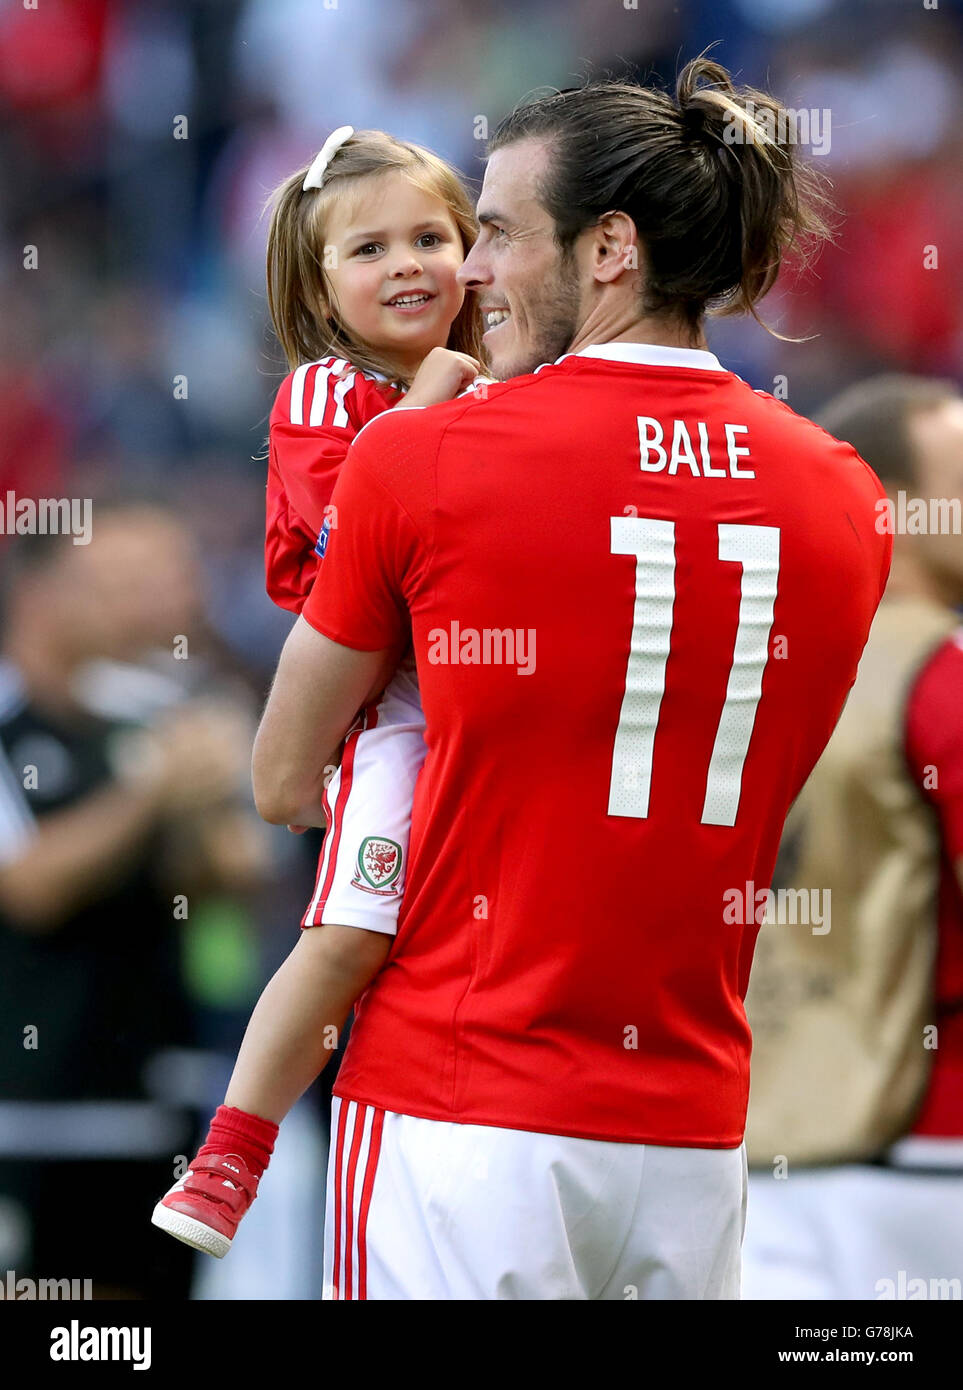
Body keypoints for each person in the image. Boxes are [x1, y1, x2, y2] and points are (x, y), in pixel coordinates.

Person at [247, 56, 892, 1301]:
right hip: (696, 1130)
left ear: (608, 249)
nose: (468, 273)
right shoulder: (845, 494)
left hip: (461, 1102)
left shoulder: (419, 455)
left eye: (491, 232)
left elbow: (283, 776)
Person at [152, 127, 488, 1257]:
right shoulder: (327, 393)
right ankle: (233, 1153)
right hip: (390, 705)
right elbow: (356, 559)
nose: (407, 264)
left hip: (498, 697)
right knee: (349, 935)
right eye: (369, 248)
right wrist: (428, 412)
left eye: (432, 237)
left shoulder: (519, 379)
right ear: (317, 289)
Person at [0, 503, 263, 1299]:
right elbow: (30, 889)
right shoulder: (13, 721)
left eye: (168, 582)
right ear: (42, 595)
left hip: (149, 1105)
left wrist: (205, 795)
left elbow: (229, 877)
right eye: (121, 585)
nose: (158, 608)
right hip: (24, 1115)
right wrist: (150, 792)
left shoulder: (159, 709)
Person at [742, 374, 963, 1300]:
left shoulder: (744, 665)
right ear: (893, 508)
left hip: (744, 1148)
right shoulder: (937, 671)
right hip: (923, 1149)